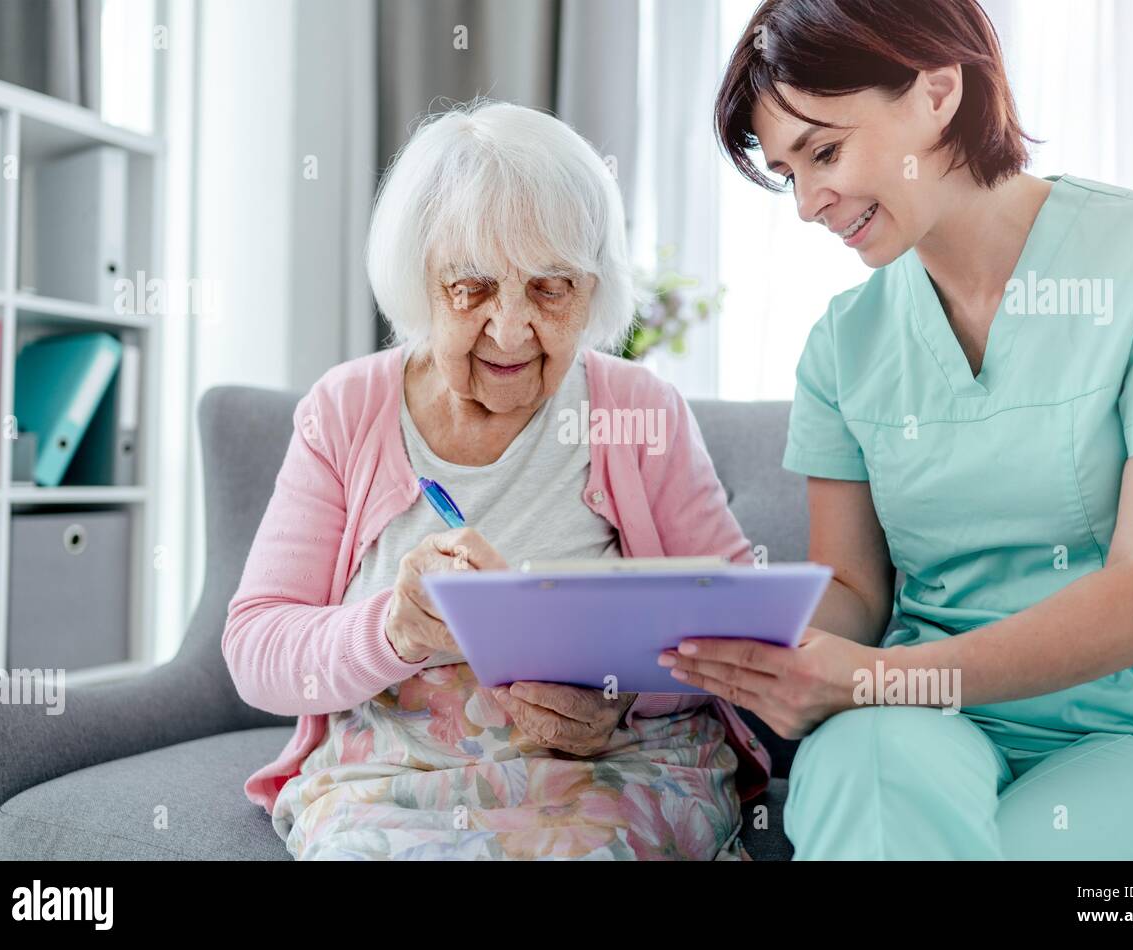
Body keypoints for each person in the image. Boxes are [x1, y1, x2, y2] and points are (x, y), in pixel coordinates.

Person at [662, 0, 1133, 859]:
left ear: (939, 91)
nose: (806, 204)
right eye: (788, 173)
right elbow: (858, 596)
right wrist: (732, 631)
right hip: (921, 722)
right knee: (863, 787)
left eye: (824, 152)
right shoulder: (844, 343)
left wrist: (877, 678)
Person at [223, 100, 770, 860]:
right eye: (471, 286)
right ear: (421, 280)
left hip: (616, 764)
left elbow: (744, 634)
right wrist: (394, 629)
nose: (511, 331)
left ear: (594, 288)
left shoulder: (639, 411)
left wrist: (622, 690)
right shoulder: (346, 410)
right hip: (393, 777)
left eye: (551, 288)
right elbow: (255, 646)